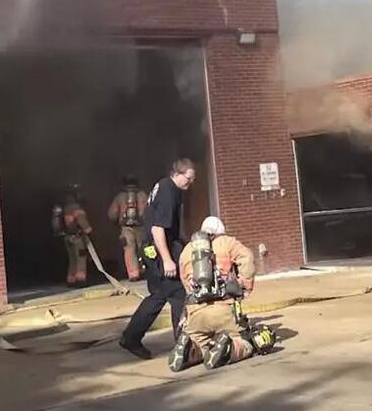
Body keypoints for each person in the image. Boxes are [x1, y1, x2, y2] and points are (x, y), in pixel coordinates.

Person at [168, 216, 276, 372]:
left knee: (201, 341)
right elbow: (247, 258)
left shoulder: (187, 250)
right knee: (245, 342)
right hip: (224, 309)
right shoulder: (227, 242)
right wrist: (244, 287)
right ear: (221, 231)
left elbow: (185, 279)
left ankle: (191, 349)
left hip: (196, 313)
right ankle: (228, 349)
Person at [118, 159, 196, 360]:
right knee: (178, 294)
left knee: (159, 296)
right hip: (160, 251)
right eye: (188, 178)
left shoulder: (163, 186)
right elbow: (158, 228)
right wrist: (168, 259)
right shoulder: (169, 191)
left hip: (154, 250)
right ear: (177, 173)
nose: (190, 183)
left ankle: (131, 338)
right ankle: (182, 345)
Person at [107, 174, 148, 282]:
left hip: (126, 228)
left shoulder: (120, 197)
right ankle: (145, 270)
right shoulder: (143, 195)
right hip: (141, 227)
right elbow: (150, 210)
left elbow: (112, 213)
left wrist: (116, 222)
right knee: (144, 248)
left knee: (129, 250)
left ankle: (133, 274)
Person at [51, 184, 93, 287]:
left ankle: (71, 280)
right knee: (81, 258)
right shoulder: (77, 209)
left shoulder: (63, 209)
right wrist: (88, 230)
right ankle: (80, 280)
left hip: (66, 238)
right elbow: (84, 224)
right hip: (78, 238)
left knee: (72, 259)